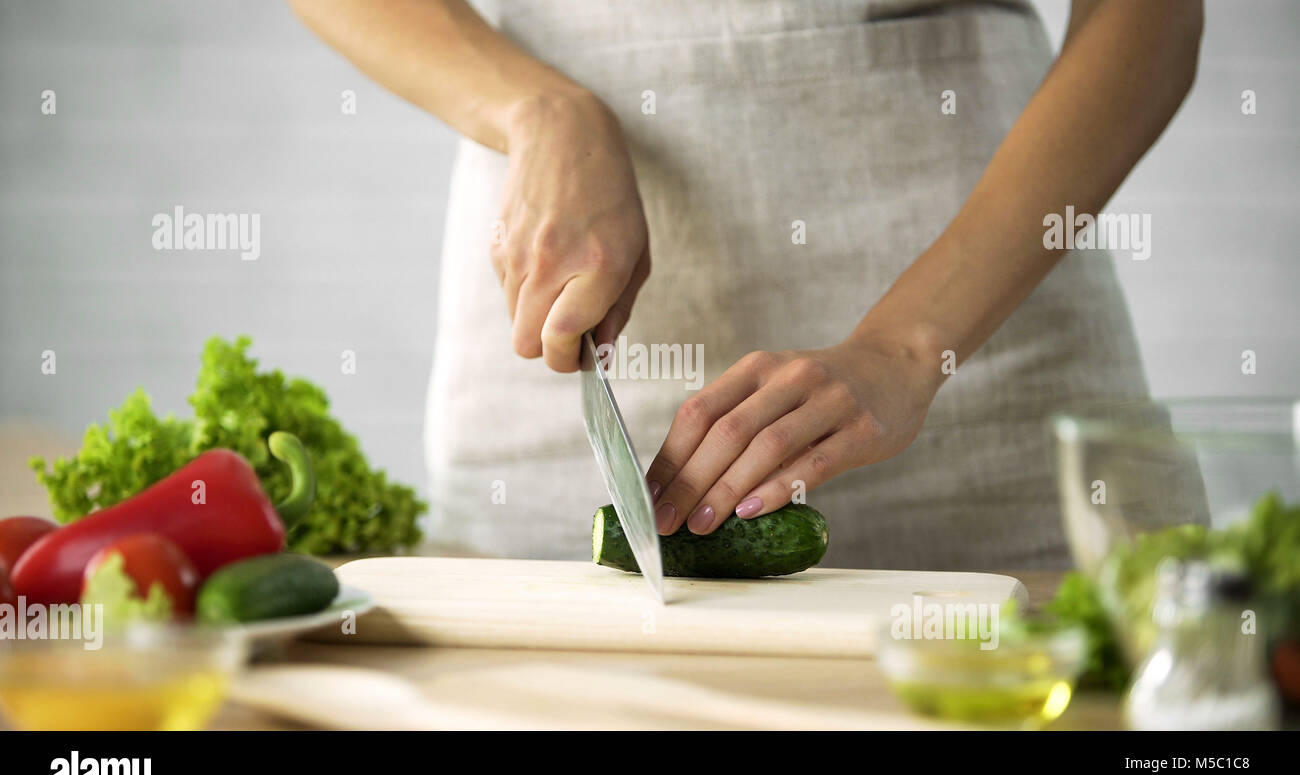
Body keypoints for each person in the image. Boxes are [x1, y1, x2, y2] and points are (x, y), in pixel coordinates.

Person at [291, 0, 1203, 569]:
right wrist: (538, 110)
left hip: (982, 333)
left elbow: (1151, 18)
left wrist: (908, 342)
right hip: (563, 359)